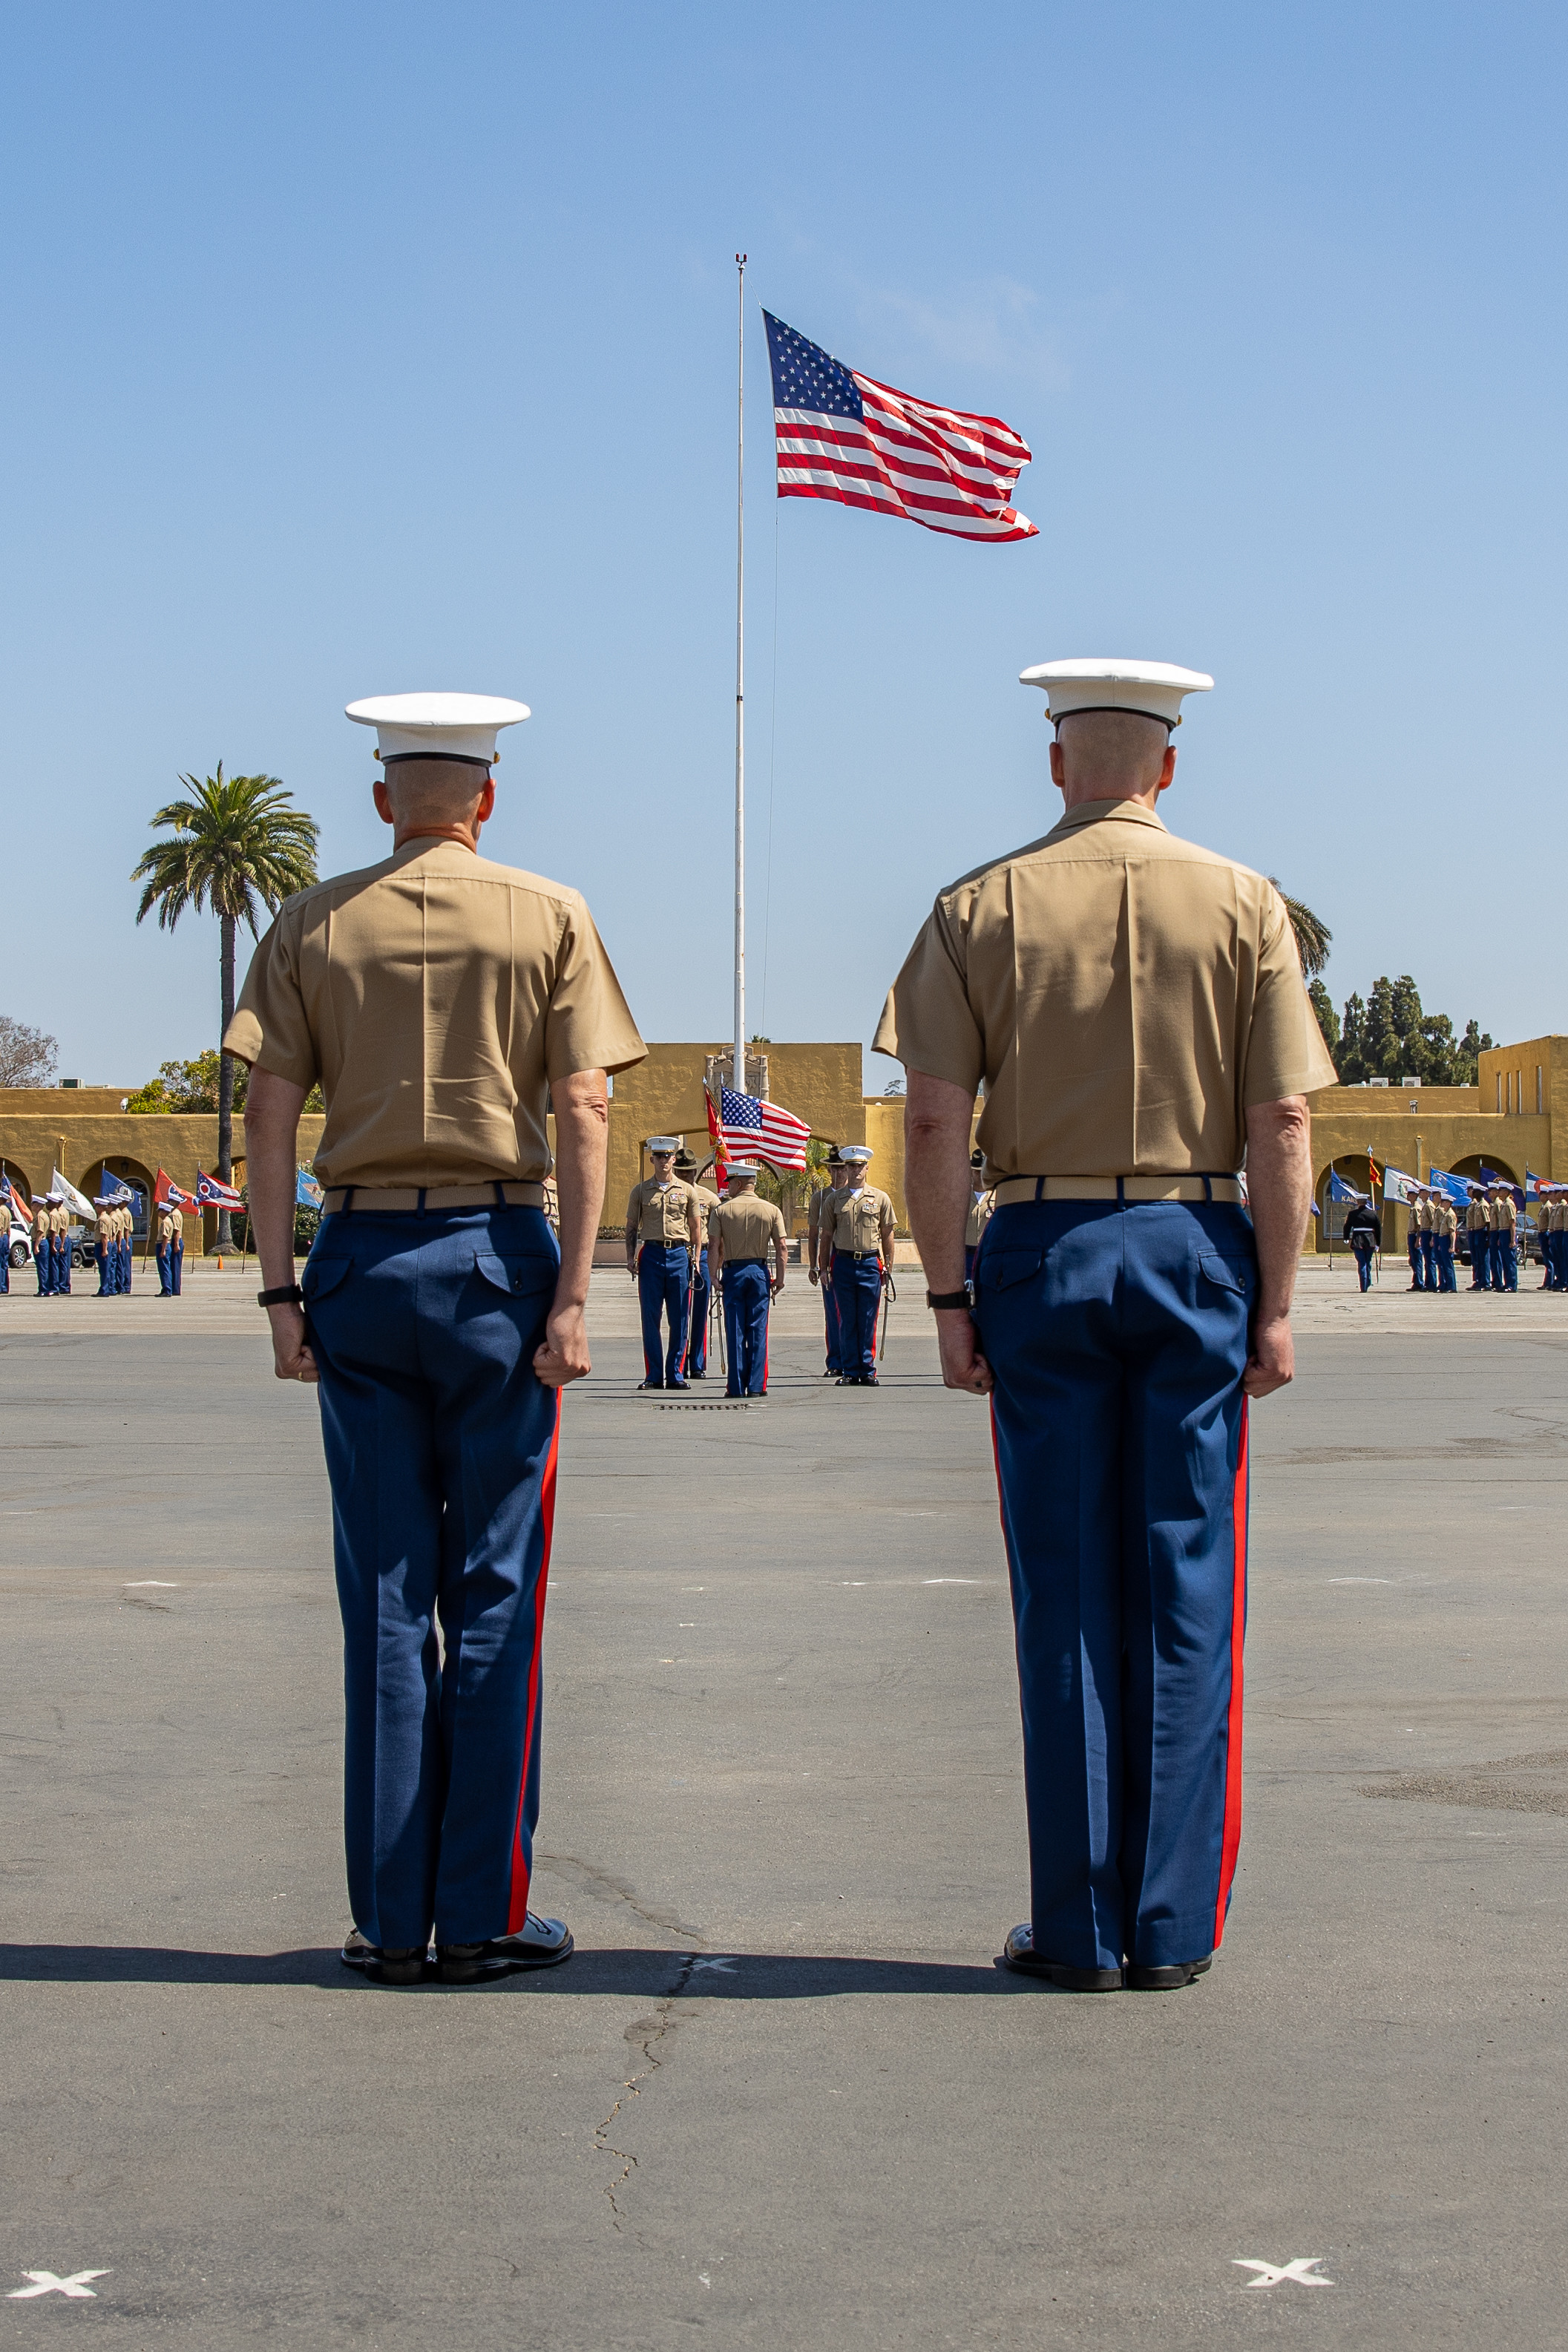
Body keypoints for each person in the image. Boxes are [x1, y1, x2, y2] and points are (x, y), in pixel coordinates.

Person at [876, 654, 1335, 1994]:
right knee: (1188, 1582)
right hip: (1194, 1243)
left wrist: (949, 1293)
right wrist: (1280, 1300)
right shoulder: (1244, 901)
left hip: (1040, 1245)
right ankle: (1170, 1922)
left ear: (1054, 762)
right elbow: (1284, 1123)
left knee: (1062, 1587)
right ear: (1170, 766)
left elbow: (929, 1120)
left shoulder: (975, 905)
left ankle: (1072, 1927)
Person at [227, 688, 646, 1989]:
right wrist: (573, 1294)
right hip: (496, 1260)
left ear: (377, 800)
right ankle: (479, 1910)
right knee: (496, 1587)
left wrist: (283, 1292)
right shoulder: (549, 913)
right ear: (486, 796)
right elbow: (583, 1106)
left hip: (357, 1258)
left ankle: (386, 1912)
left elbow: (267, 1116)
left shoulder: (309, 920)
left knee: (386, 1588)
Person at [625, 1139, 701, 1389]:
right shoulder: (641, 1191)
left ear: (674, 1160)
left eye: (668, 1157)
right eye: (659, 1156)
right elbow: (632, 1227)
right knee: (650, 1318)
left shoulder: (688, 1191)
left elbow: (696, 1227)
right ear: (652, 1160)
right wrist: (630, 1256)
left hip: (679, 1255)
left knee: (679, 1318)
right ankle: (654, 1375)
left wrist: (697, 1259)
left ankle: (676, 1373)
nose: (664, 1161)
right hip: (652, 1256)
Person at [708, 1161, 787, 1398]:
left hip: (733, 1272)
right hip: (759, 1272)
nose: (728, 1187)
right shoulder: (772, 1210)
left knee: (735, 1330)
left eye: (730, 1183)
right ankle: (756, 1385)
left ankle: (735, 1386)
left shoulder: (721, 1211)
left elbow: (713, 1245)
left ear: (739, 1183)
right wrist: (780, 1279)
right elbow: (781, 1246)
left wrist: (713, 1274)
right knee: (758, 1329)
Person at [818, 1144, 896, 1386]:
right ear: (846, 1168)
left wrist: (888, 1267)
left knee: (868, 1318)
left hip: (870, 1263)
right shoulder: (834, 1199)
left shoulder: (880, 1198)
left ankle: (868, 1369)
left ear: (867, 1168)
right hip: (843, 1263)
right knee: (847, 1319)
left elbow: (888, 1234)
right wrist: (823, 1268)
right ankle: (851, 1370)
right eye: (851, 1166)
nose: (856, 1170)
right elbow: (826, 1236)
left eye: (860, 1166)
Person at [674, 1148, 722, 1378]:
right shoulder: (671, 1193)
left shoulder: (709, 1199)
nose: (686, 1177)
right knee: (681, 1310)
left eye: (690, 1172)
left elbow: (717, 1236)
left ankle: (697, 1363)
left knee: (700, 1311)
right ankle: (680, 1361)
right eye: (681, 1173)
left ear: (696, 1172)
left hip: (701, 1255)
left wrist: (717, 1263)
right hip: (678, 1254)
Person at [808, 1147, 850, 1376]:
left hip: (849, 1256)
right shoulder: (821, 1197)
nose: (839, 1173)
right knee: (833, 1313)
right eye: (835, 1168)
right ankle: (835, 1361)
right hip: (830, 1257)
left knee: (851, 1313)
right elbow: (814, 1234)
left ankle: (854, 1359)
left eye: (843, 1168)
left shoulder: (856, 1194)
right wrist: (814, 1265)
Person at [964, 1148, 994, 1282]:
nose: (980, 1175)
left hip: (988, 1253)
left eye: (983, 1171)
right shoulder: (962, 1198)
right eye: (976, 1171)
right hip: (966, 1255)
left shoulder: (997, 1196)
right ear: (971, 1172)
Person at [1342, 1193, 1381, 1291]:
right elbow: (1378, 1229)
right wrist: (1378, 1243)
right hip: (1370, 1240)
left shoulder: (1353, 1214)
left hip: (1358, 1240)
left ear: (1357, 1202)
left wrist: (1346, 1238)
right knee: (1367, 1262)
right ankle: (1367, 1282)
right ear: (1366, 1202)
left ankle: (1363, 1285)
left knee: (1362, 1263)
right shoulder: (1373, 1213)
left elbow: (1347, 1227)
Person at [1493, 1182, 1519, 1292]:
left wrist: (1513, 1240)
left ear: (1506, 1192)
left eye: (1501, 1191)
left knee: (1510, 1261)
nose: (1499, 1193)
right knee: (1504, 1260)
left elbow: (1512, 1223)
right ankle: (1507, 1283)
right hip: (1503, 1232)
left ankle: (1512, 1285)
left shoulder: (1509, 1204)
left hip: (1508, 1232)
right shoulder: (1503, 1204)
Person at [1466, 1185, 1491, 1290]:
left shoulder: (1483, 1205)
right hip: (1475, 1231)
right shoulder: (1476, 1205)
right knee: (1477, 1259)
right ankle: (1478, 1280)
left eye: (1475, 1191)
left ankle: (1485, 1282)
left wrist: (1488, 1238)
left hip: (1481, 1231)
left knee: (1483, 1259)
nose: (1472, 1193)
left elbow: (1487, 1222)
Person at [1432, 1190, 1457, 1291]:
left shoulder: (1450, 1215)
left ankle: (1452, 1286)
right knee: (1443, 1263)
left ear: (1448, 1203)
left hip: (1447, 1238)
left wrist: (1452, 1246)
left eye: (1443, 1202)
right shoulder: (1446, 1214)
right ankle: (1447, 1285)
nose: (1441, 1203)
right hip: (1442, 1238)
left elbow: (1452, 1231)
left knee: (1448, 1264)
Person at [0, 1182, 11, 1296]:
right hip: (5, 1237)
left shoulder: (0, 1210)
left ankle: (1, 1286)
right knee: (4, 1263)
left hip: (1, 1236)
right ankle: (4, 1286)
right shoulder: (7, 1210)